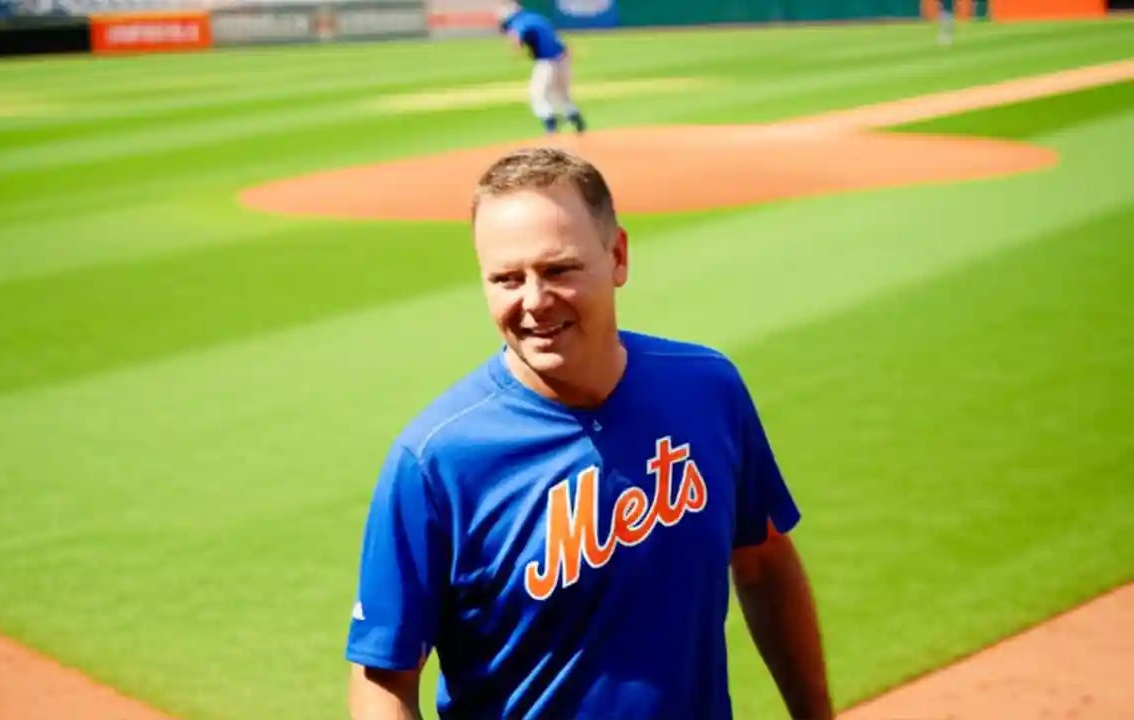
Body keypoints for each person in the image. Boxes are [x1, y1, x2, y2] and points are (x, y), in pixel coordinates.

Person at [346, 147, 832, 719]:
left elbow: (764, 560)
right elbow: (384, 673)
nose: (532, 301)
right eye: (506, 278)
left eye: (558, 270)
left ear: (618, 255)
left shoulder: (707, 388)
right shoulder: (437, 459)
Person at [496, 1, 586, 135]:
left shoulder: (518, 21)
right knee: (561, 93)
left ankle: (550, 123)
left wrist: (517, 52)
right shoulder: (535, 17)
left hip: (547, 62)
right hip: (563, 58)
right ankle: (576, 119)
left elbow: (517, 37)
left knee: (537, 95)